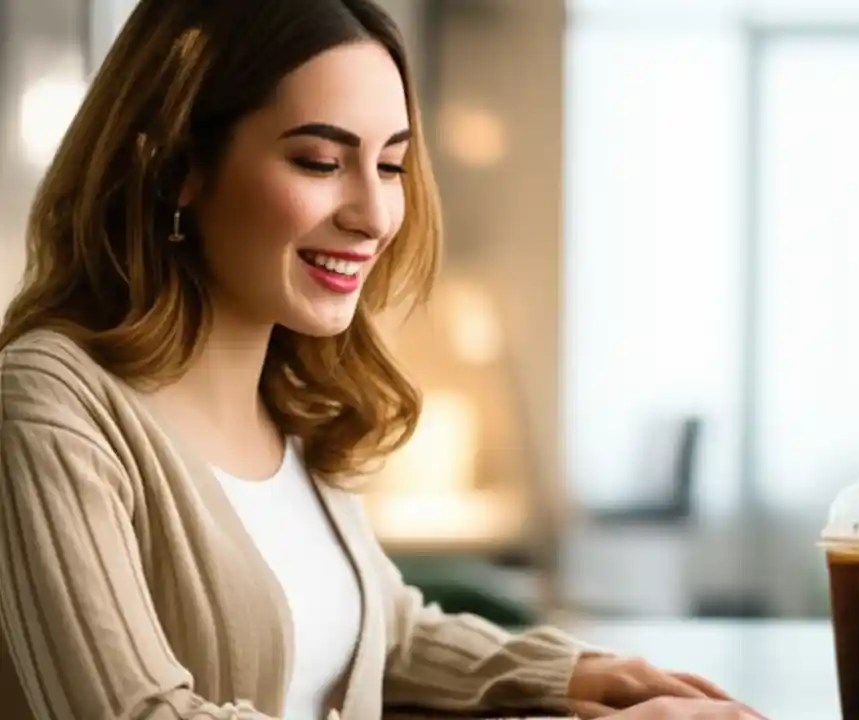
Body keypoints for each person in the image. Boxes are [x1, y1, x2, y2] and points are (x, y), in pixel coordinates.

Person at [0, 1, 763, 719]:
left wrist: (574, 673)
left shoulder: (292, 402)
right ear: (176, 166)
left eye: (391, 166)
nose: (373, 216)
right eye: (320, 161)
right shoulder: (47, 409)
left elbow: (378, 631)